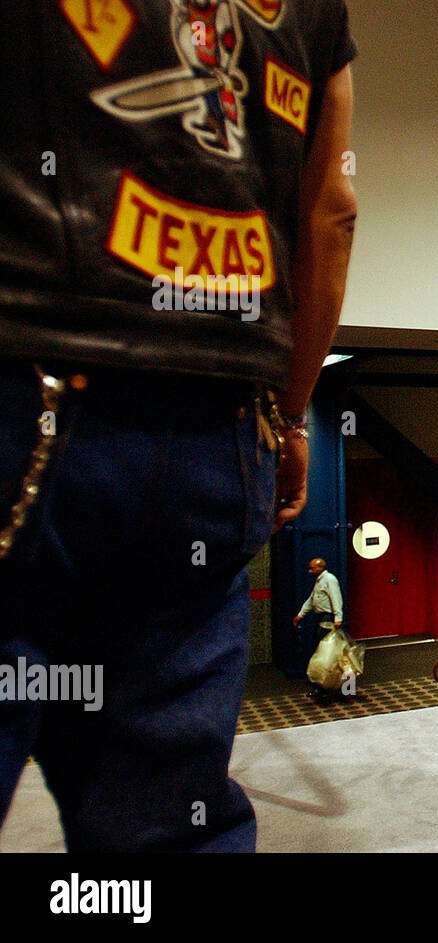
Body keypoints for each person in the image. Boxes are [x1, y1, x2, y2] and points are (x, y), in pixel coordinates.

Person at [0, 0, 358, 851]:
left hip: (26, 376)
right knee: (167, 819)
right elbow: (331, 211)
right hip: (217, 423)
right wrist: (287, 412)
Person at [295, 557, 347, 701]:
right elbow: (311, 600)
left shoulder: (330, 580)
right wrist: (300, 615)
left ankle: (328, 687)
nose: (309, 571)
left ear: (320, 568)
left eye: (312, 568)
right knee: (322, 654)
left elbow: (336, 599)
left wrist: (338, 618)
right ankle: (325, 685)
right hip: (321, 619)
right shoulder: (319, 582)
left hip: (328, 620)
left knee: (327, 655)